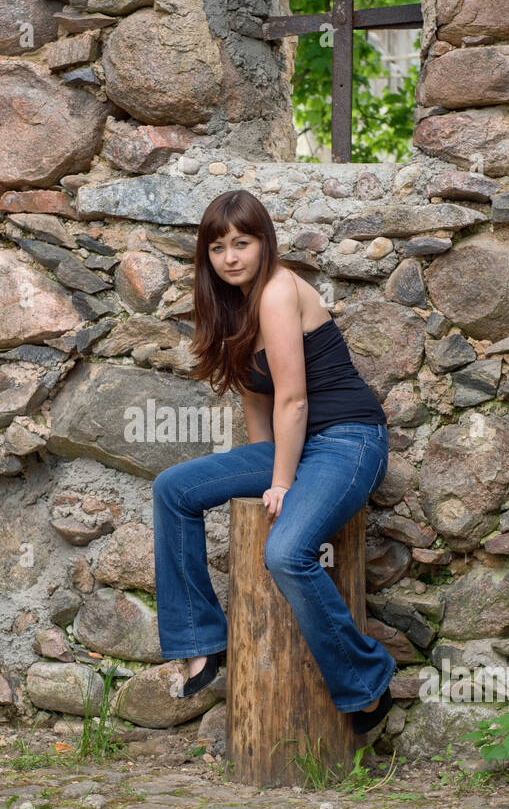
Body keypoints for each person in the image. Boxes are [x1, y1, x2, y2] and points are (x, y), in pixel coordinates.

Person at [151, 189, 396, 735]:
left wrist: (281, 482)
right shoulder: (230, 308)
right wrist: (268, 465)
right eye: (217, 248)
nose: (231, 257)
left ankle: (367, 682)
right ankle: (198, 642)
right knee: (173, 489)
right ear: (206, 257)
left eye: (242, 243)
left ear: (265, 243)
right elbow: (257, 403)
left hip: (349, 441)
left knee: (286, 552)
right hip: (296, 444)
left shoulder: (279, 291)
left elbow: (294, 399)